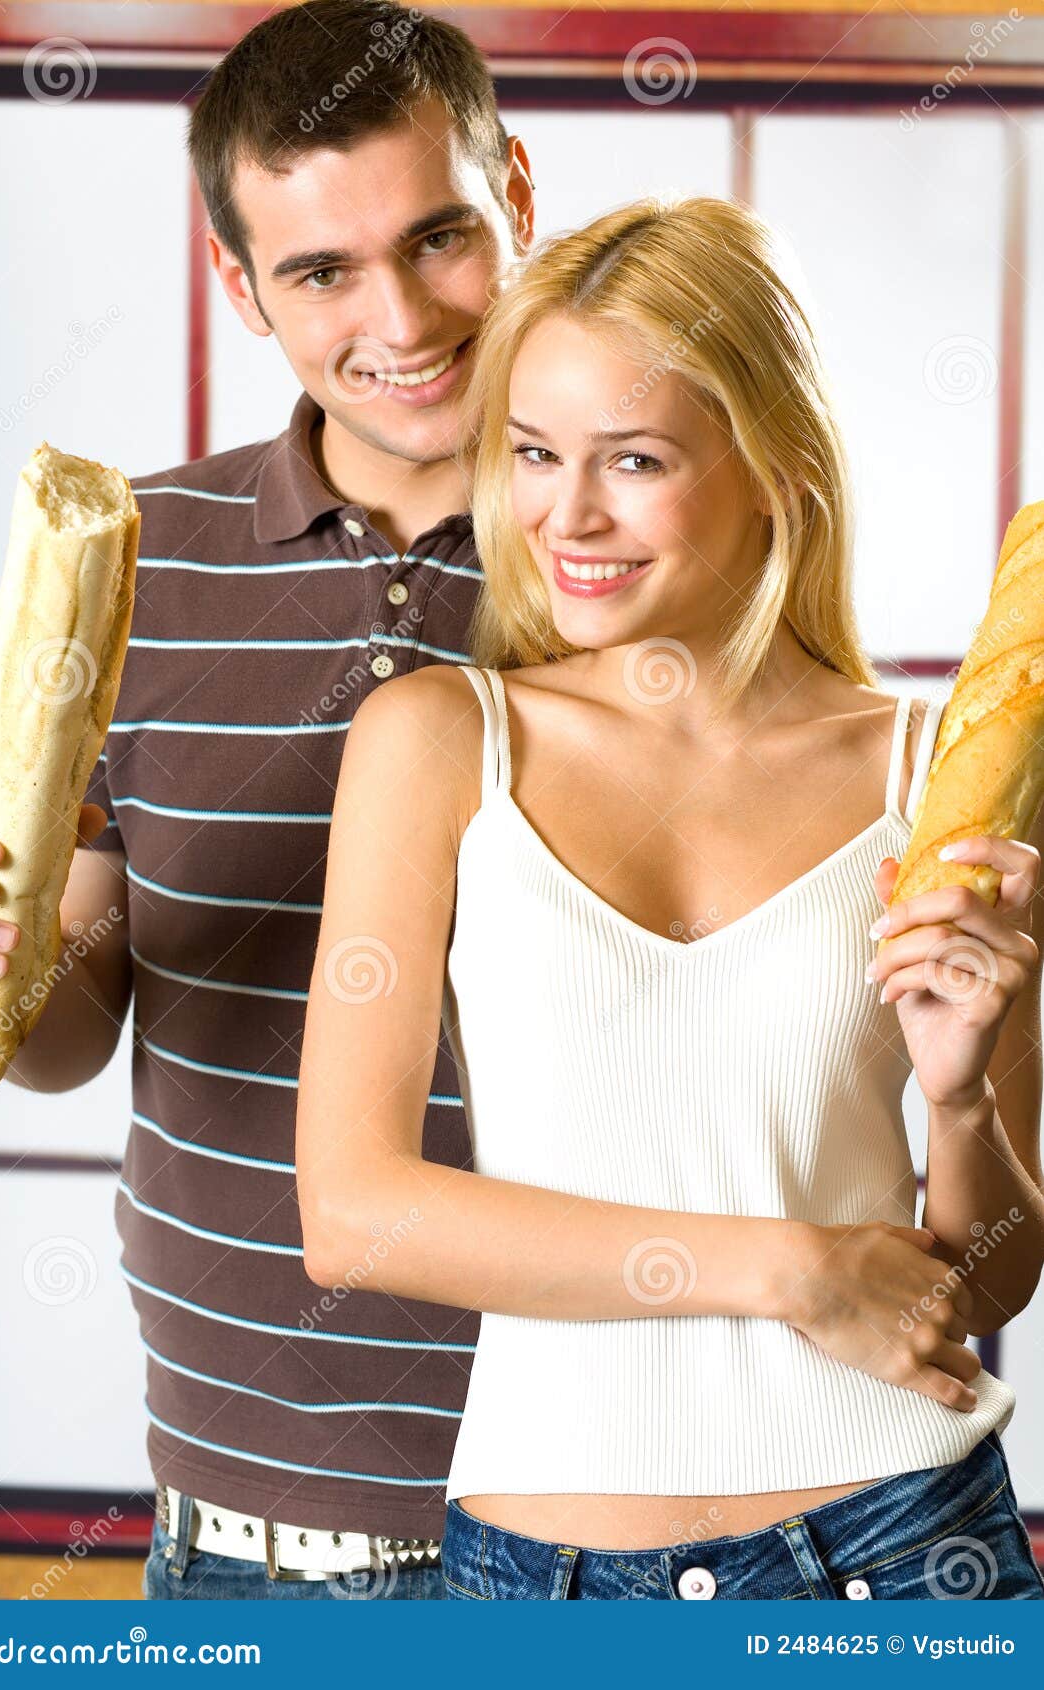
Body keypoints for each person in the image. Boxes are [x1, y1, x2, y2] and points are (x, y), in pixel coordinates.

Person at [295, 195, 1044, 1600]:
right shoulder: (437, 741)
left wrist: (957, 1101)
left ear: (773, 467)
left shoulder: (937, 771)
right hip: (543, 1579)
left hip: (901, 1539)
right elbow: (354, 1212)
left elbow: (986, 1277)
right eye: (531, 453)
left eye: (633, 461)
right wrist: (789, 1267)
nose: (566, 516)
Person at [0, 0, 533, 1599]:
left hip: (585, 1503)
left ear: (518, 189)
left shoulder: (632, 557)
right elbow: (80, 1020)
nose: (403, 317)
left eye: (441, 237)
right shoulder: (136, 563)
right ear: (241, 285)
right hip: (237, 1519)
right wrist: (2, 961)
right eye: (321, 272)